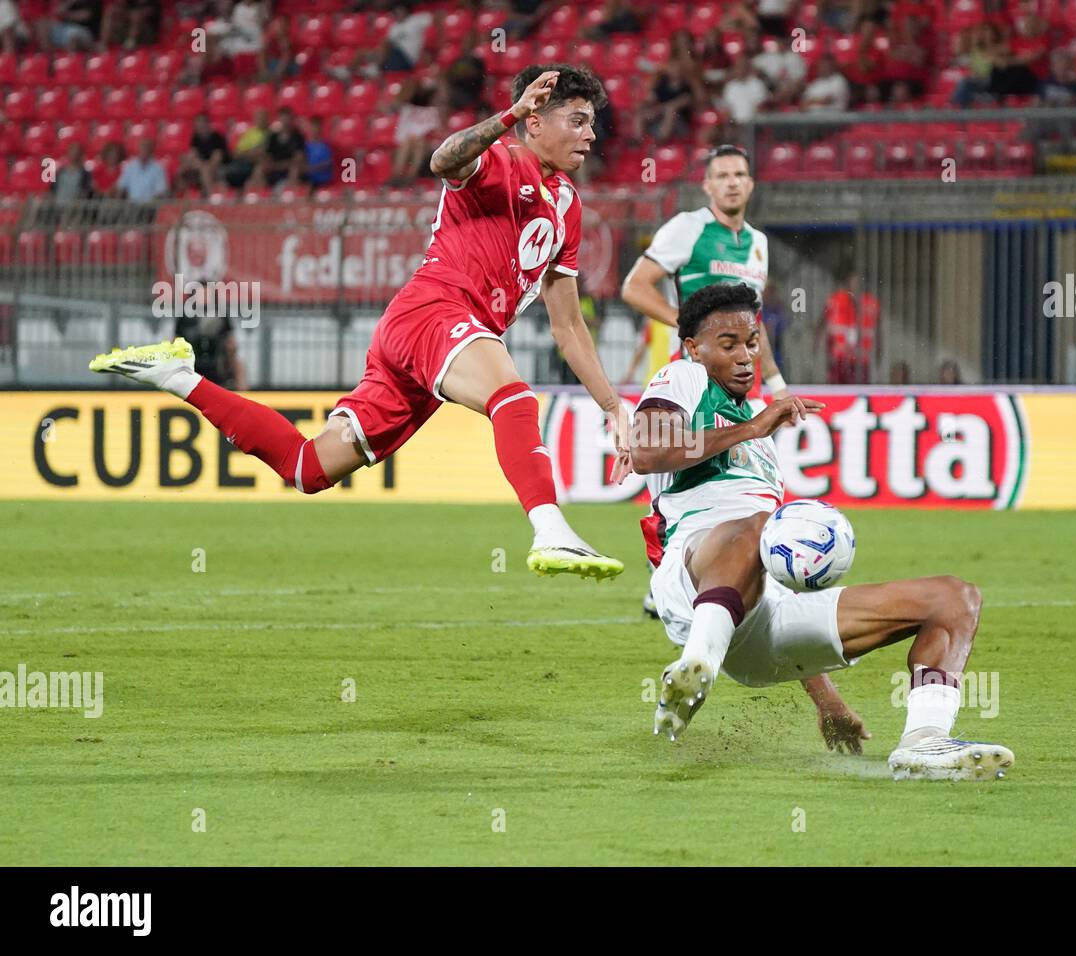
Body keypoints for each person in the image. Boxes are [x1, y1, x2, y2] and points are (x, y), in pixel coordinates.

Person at [90, 65, 628, 581]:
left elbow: (569, 327)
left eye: (592, 122)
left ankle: (177, 377)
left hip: (427, 341)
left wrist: (612, 407)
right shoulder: (502, 161)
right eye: (576, 120)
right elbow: (443, 160)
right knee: (513, 397)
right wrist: (507, 115)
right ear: (535, 119)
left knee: (308, 468)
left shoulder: (568, 206)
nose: (591, 134)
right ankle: (550, 527)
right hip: (434, 312)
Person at [631, 283, 1014, 779]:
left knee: (954, 599)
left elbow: (768, 565)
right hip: (691, 577)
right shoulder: (683, 378)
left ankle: (925, 743)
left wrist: (827, 701)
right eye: (729, 344)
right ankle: (695, 666)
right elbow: (645, 451)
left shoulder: (764, 451)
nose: (746, 356)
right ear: (694, 349)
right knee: (758, 528)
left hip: (760, 622)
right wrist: (751, 428)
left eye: (752, 342)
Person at [621, 143, 791, 618]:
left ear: (751, 183)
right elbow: (635, 286)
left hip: (742, 379)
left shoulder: (757, 242)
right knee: (674, 469)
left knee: (740, 480)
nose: (733, 181)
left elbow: (751, 322)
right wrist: (692, 327)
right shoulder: (689, 228)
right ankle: (670, 572)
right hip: (697, 377)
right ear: (708, 185)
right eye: (723, 175)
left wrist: (776, 385)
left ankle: (741, 577)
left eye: (740, 173)